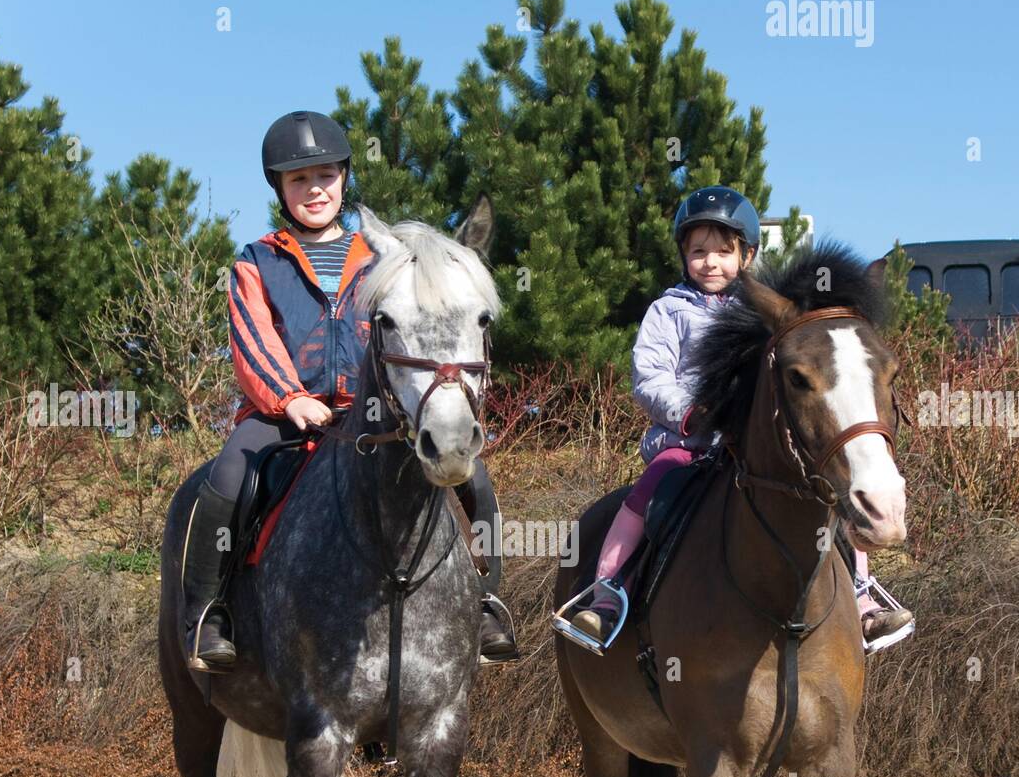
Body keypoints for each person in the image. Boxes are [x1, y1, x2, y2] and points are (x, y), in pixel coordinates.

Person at [180, 110, 517, 671]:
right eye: (298, 180)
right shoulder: (258, 261)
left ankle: (486, 602)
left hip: (374, 412)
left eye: (325, 176)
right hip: (282, 414)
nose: (314, 189)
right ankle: (208, 614)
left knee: (474, 477)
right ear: (280, 189)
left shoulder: (381, 257)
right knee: (228, 476)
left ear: (343, 178)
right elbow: (252, 342)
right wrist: (291, 399)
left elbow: (414, 327)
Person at [567, 185, 914, 652]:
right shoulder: (667, 311)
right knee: (649, 492)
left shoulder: (761, 311)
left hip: (743, 446)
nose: (711, 262)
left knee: (824, 496)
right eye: (698, 252)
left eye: (723, 252)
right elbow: (649, 378)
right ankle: (607, 594)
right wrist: (691, 413)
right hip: (684, 443)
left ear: (746, 256)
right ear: (684, 256)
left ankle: (861, 596)